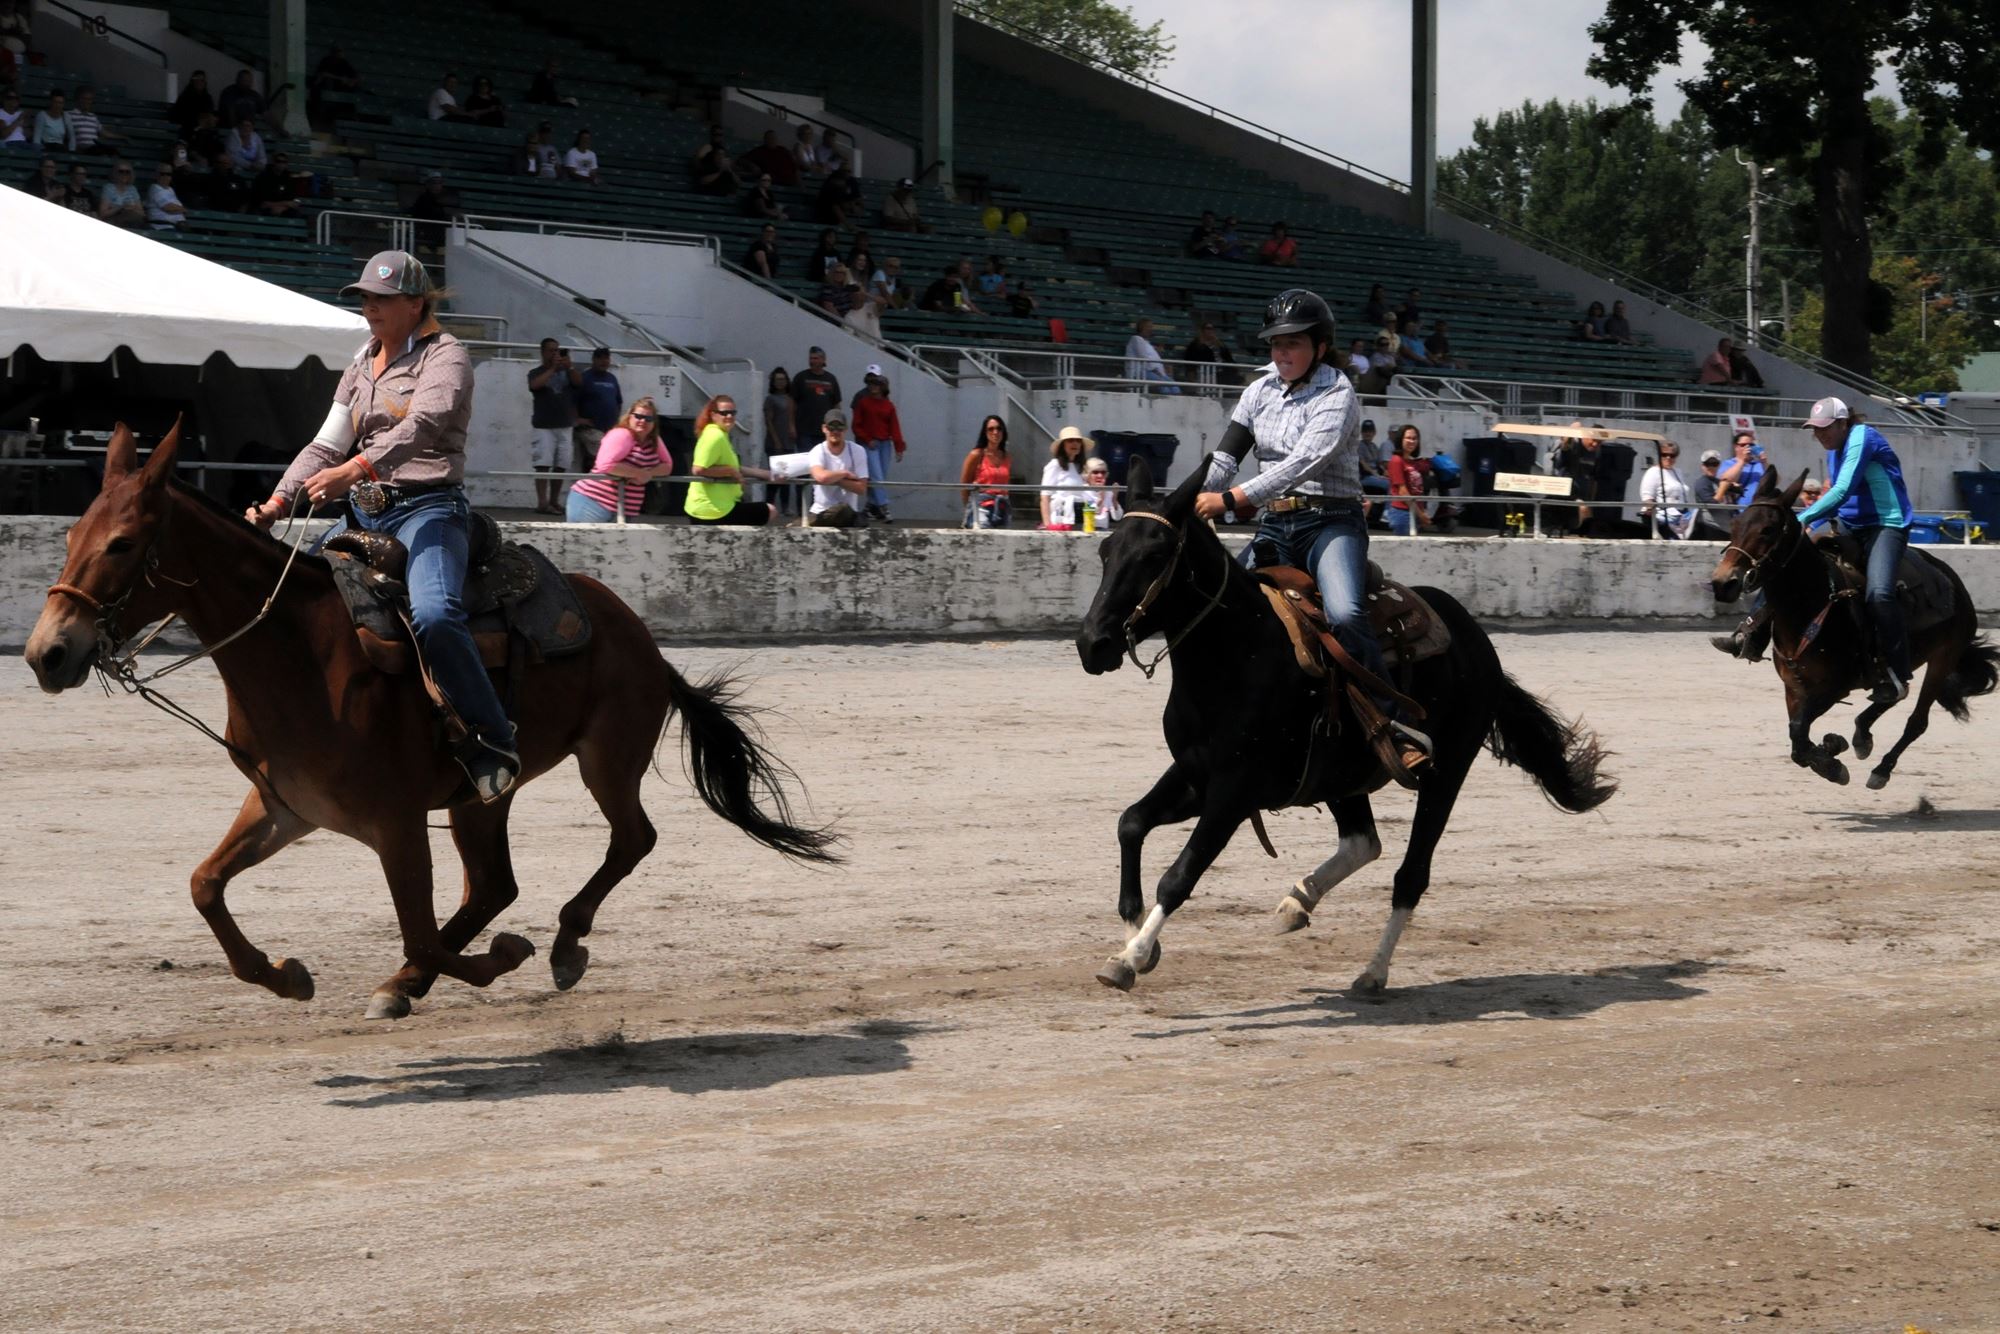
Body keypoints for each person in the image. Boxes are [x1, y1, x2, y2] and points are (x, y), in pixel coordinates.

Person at [245, 250, 518, 801]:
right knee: (293, 603)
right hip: (363, 512)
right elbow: (326, 444)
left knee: (436, 614)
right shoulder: (361, 362)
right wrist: (278, 500)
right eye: (365, 298)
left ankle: (492, 738)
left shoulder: (447, 355)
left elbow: (424, 425)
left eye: (381, 299)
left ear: (416, 304)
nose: (369, 307)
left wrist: (355, 470)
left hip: (428, 509)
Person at [1192, 288, 1430, 784]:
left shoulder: (1337, 393)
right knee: (1219, 604)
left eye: (1293, 343)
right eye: (1276, 343)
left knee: (1344, 613)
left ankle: (1393, 724)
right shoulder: (1258, 391)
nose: (1282, 352)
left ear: (1320, 346)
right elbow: (1226, 456)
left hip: (1331, 523)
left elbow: (1303, 463)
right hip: (1275, 525)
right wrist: (1188, 497)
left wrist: (1230, 500)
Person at [1797, 397, 1917, 701]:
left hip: (1886, 525)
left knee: (1879, 594)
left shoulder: (1862, 438)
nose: (1819, 435)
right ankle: (1749, 633)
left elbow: (1841, 491)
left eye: (1824, 428)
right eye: (1815, 430)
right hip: (1851, 524)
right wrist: (1806, 527)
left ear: (1843, 423)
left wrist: (1802, 518)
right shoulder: (1835, 448)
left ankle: (1898, 674)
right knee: (1792, 558)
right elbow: (1838, 501)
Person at [567, 395, 673, 522]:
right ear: (629, 417)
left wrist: (648, 473)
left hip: (624, 508)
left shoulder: (654, 440)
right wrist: (638, 474)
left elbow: (667, 466)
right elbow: (605, 465)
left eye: (648, 418)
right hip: (594, 502)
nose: (643, 421)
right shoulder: (622, 434)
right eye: (638, 416)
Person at [686, 395, 777, 526]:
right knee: (770, 510)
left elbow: (734, 467)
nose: (729, 416)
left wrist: (765, 474)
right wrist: (731, 471)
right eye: (724, 413)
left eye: (732, 412)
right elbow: (698, 469)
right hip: (713, 510)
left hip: (714, 508)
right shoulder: (715, 436)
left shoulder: (719, 434)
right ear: (713, 415)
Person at [527, 337, 580, 515]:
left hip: (565, 425)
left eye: (557, 350)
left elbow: (579, 383)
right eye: (551, 350)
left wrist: (569, 367)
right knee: (542, 463)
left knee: (562, 464)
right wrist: (552, 369)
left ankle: (554, 501)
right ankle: (542, 503)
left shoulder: (567, 372)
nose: (555, 353)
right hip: (544, 426)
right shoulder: (536, 372)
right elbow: (535, 385)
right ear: (543, 352)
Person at [850, 365, 905, 523]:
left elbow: (894, 427)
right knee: (877, 476)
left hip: (884, 444)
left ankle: (869, 508)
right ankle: (884, 508)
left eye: (876, 384)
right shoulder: (863, 402)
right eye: (871, 384)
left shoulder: (889, 406)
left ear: (882, 387)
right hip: (870, 444)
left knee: (880, 477)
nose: (873, 387)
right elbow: (856, 425)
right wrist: (867, 439)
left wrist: (899, 447)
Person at [805, 408, 868, 527]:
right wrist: (845, 474)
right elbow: (821, 477)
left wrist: (835, 479)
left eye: (839, 428)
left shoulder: (858, 451)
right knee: (840, 511)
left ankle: (803, 523)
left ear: (845, 429)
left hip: (848, 513)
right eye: (831, 427)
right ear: (824, 428)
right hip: (821, 511)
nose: (835, 431)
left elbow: (861, 488)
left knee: (845, 510)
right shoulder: (817, 451)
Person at [573, 347, 623, 476]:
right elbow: (572, 401)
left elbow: (618, 401)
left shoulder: (612, 378)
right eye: (600, 358)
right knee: (601, 453)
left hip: (609, 429)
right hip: (590, 428)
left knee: (605, 456)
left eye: (606, 358)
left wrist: (616, 422)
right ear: (593, 360)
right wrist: (578, 420)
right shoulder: (584, 377)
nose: (603, 361)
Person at [960, 415, 1013, 529]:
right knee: (984, 535)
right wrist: (970, 508)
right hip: (982, 507)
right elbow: (965, 485)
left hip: (1002, 507)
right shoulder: (976, 455)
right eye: (991, 429)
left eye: (999, 428)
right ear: (985, 432)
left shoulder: (1006, 457)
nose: (995, 432)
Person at [1637, 442, 1694, 539]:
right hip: (1664, 518)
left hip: (1681, 517)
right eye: (1664, 454)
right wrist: (1650, 508)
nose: (1668, 458)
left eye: (1672, 455)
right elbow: (1647, 498)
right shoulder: (1653, 472)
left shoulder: (1677, 472)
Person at [790, 345, 842, 448]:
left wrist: (837, 426)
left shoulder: (831, 379)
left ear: (823, 360)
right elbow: (792, 403)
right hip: (804, 431)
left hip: (825, 430)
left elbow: (836, 405)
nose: (812, 361)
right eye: (811, 358)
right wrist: (791, 426)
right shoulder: (800, 377)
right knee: (807, 457)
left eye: (815, 358)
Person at [1551, 424, 1601, 532]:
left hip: (1583, 496)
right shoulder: (1574, 446)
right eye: (1593, 440)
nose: (1595, 444)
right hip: (1565, 495)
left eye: (1599, 442)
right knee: (1583, 509)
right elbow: (1565, 444)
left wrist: (1591, 501)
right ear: (1585, 436)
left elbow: (1593, 479)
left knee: (1588, 513)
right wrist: (1573, 429)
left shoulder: (1596, 454)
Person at [1384, 424, 1431, 536]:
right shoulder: (1396, 461)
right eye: (1408, 438)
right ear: (1401, 439)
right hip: (1402, 513)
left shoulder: (1412, 462)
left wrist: (1421, 512)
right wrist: (1420, 514)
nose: (1412, 441)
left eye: (1414, 438)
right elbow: (1403, 492)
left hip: (1413, 511)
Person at [1040, 426, 1090, 529]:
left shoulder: (1080, 467)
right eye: (1070, 441)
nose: (1075, 444)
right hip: (1061, 518)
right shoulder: (1055, 465)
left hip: (1079, 517)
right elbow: (1045, 496)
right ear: (1063, 445)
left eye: (1078, 441)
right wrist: (1048, 524)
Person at [1124, 318, 1178, 394]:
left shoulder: (1147, 343)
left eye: (1151, 327)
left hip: (1155, 372)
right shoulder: (1136, 339)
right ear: (1141, 327)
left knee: (1175, 387)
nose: (1151, 329)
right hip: (1141, 373)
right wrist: (1155, 370)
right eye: (1148, 326)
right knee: (1164, 387)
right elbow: (1143, 358)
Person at [67, 87, 125, 156]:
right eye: (85, 99)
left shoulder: (93, 117)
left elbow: (104, 133)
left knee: (113, 151)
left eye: (90, 99)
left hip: (94, 147)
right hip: (82, 148)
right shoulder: (69, 115)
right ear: (78, 99)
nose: (87, 102)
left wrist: (123, 137)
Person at [1715, 430, 1765, 506]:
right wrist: (1742, 461)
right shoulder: (1729, 463)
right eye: (1743, 445)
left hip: (1758, 508)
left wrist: (1765, 462)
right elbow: (1726, 480)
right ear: (1736, 447)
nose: (1748, 447)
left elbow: (1775, 480)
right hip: (1738, 509)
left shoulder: (1759, 465)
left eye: (1751, 445)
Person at [409, 171, 453, 248]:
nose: (437, 186)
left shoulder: (438, 200)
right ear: (428, 185)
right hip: (426, 232)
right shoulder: (423, 199)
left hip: (435, 232)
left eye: (439, 183)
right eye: (434, 183)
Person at [250, 151, 303, 216]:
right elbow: (262, 203)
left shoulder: (289, 178)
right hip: (266, 209)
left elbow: (295, 201)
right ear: (273, 162)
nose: (281, 164)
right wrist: (285, 203)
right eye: (278, 161)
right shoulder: (263, 177)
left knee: (296, 213)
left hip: (284, 209)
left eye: (284, 162)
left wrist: (283, 208)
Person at [96, 161, 145, 229]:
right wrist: (121, 207)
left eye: (127, 172)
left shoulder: (132, 189)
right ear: (115, 173)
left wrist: (132, 208)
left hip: (131, 223)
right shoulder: (109, 188)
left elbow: (142, 213)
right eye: (121, 171)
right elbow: (103, 213)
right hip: (113, 223)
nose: (124, 174)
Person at [170, 70, 214, 140]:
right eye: (197, 80)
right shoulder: (185, 97)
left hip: (202, 130)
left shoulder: (207, 98)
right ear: (192, 81)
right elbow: (179, 114)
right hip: (186, 128)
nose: (199, 82)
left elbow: (208, 114)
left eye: (202, 80)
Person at [1081, 456, 1124, 526]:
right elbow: (1089, 516)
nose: (1100, 476)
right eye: (1095, 472)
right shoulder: (1083, 491)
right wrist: (1100, 500)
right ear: (1087, 475)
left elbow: (1117, 517)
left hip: (1103, 531)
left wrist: (1114, 499)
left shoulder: (1108, 492)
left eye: (1103, 472)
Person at [144, 161, 187, 229]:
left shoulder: (170, 189)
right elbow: (168, 208)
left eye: (168, 174)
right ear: (157, 175)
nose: (165, 176)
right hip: (162, 226)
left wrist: (179, 210)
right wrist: (182, 210)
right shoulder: (154, 188)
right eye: (162, 174)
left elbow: (179, 208)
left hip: (177, 226)